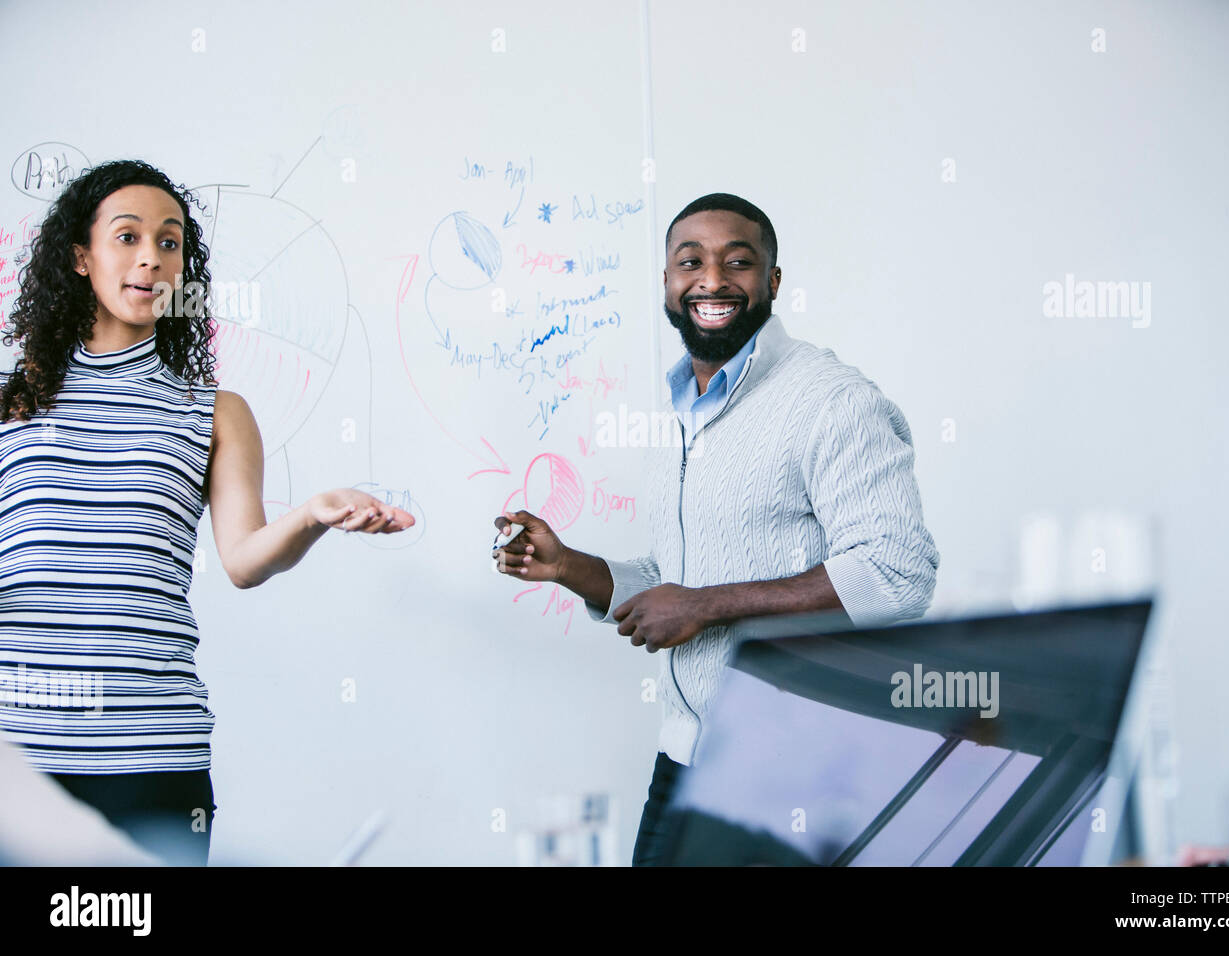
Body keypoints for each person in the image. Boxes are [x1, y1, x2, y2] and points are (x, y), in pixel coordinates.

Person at [494, 193, 939, 865]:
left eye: (738, 262)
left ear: (773, 284)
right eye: (690, 262)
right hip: (685, 761)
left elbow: (897, 574)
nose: (712, 279)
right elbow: (674, 584)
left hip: (796, 775)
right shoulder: (680, 407)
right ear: (669, 286)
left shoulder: (833, 401)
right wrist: (566, 565)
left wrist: (705, 606)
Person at [0, 159, 414, 865]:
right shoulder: (13, 403)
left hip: (153, 756)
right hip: (20, 758)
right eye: (127, 236)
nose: (151, 258)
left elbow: (245, 559)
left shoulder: (213, 412)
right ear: (79, 256)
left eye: (169, 242)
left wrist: (312, 512)